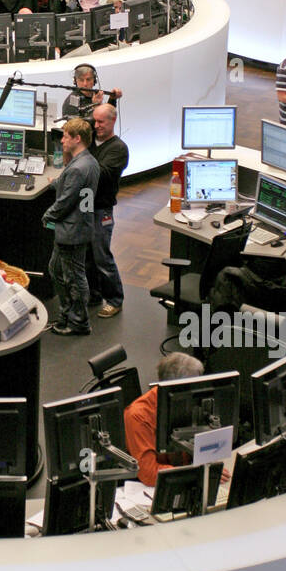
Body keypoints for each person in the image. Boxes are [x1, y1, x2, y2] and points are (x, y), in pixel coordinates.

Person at [42, 117, 99, 337]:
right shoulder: (88, 162)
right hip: (77, 226)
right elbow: (71, 188)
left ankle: (79, 322)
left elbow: (65, 202)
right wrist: (57, 183)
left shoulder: (78, 168)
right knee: (56, 271)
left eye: (66, 136)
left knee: (74, 278)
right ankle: (67, 314)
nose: (62, 140)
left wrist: (47, 215)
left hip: (72, 230)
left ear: (77, 138)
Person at [124, 352, 204, 487]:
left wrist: (209, 469)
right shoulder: (138, 416)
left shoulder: (193, 403)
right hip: (156, 487)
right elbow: (149, 473)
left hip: (185, 475)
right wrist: (196, 475)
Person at [87, 104, 129, 319]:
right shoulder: (91, 141)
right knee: (87, 255)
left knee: (101, 256)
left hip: (101, 209)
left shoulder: (118, 149)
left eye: (101, 122)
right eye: (95, 121)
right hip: (85, 206)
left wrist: (80, 159)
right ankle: (93, 295)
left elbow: (100, 174)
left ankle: (115, 300)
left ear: (113, 121)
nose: (97, 125)